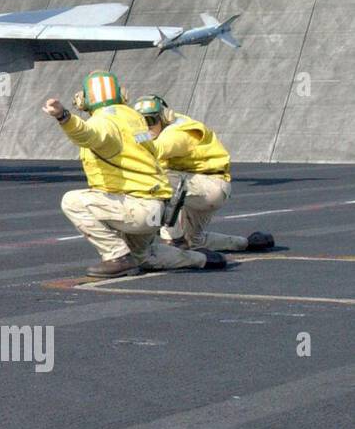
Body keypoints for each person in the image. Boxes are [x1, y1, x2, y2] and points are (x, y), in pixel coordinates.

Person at [44, 70, 222, 277]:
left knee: (72, 201)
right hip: (158, 208)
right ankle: (200, 258)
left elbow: (89, 135)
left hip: (138, 208)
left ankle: (117, 257)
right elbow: (152, 149)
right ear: (122, 94)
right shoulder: (134, 117)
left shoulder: (102, 121)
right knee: (143, 256)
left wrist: (63, 117)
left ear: (84, 100)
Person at [133, 95, 275, 253]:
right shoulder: (162, 129)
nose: (146, 127)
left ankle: (173, 239)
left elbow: (155, 150)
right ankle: (245, 243)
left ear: (164, 117)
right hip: (195, 187)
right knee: (194, 241)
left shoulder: (178, 131)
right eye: (140, 122)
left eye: (150, 121)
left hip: (208, 186)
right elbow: (143, 140)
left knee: (154, 180)